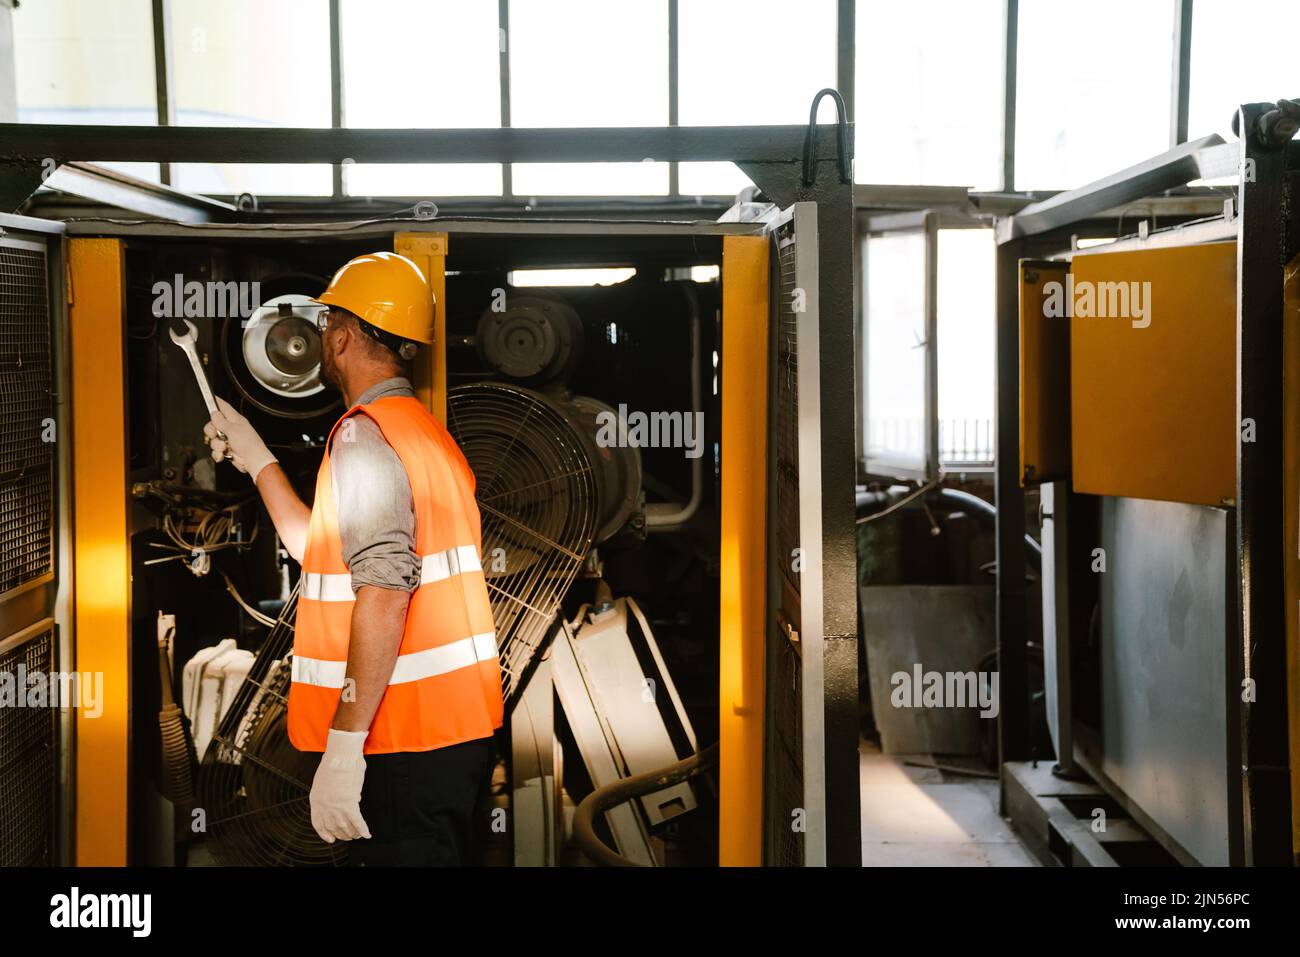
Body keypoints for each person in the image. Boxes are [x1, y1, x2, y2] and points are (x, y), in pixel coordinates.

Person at [204, 251, 503, 866]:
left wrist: (344, 745)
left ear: (340, 338)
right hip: (442, 736)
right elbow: (323, 556)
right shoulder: (419, 430)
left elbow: (385, 592)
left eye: (322, 327)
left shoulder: (365, 436)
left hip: (397, 744)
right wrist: (258, 459)